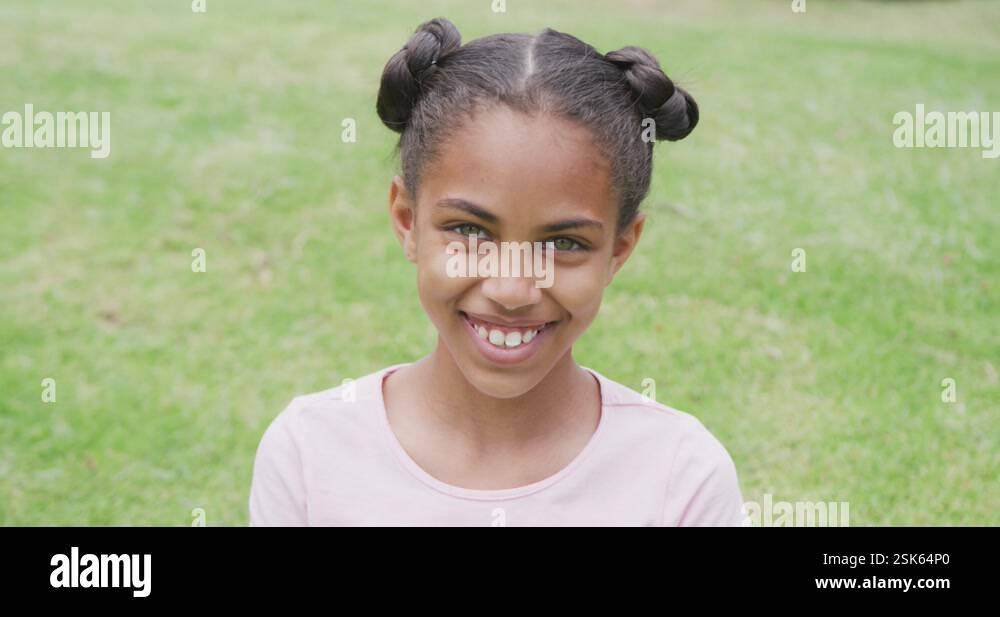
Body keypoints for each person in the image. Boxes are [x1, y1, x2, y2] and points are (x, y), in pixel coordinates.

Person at [250, 17, 747, 526]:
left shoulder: (679, 477)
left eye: (563, 243)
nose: (512, 289)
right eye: (470, 231)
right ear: (408, 221)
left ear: (619, 250)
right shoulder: (311, 453)